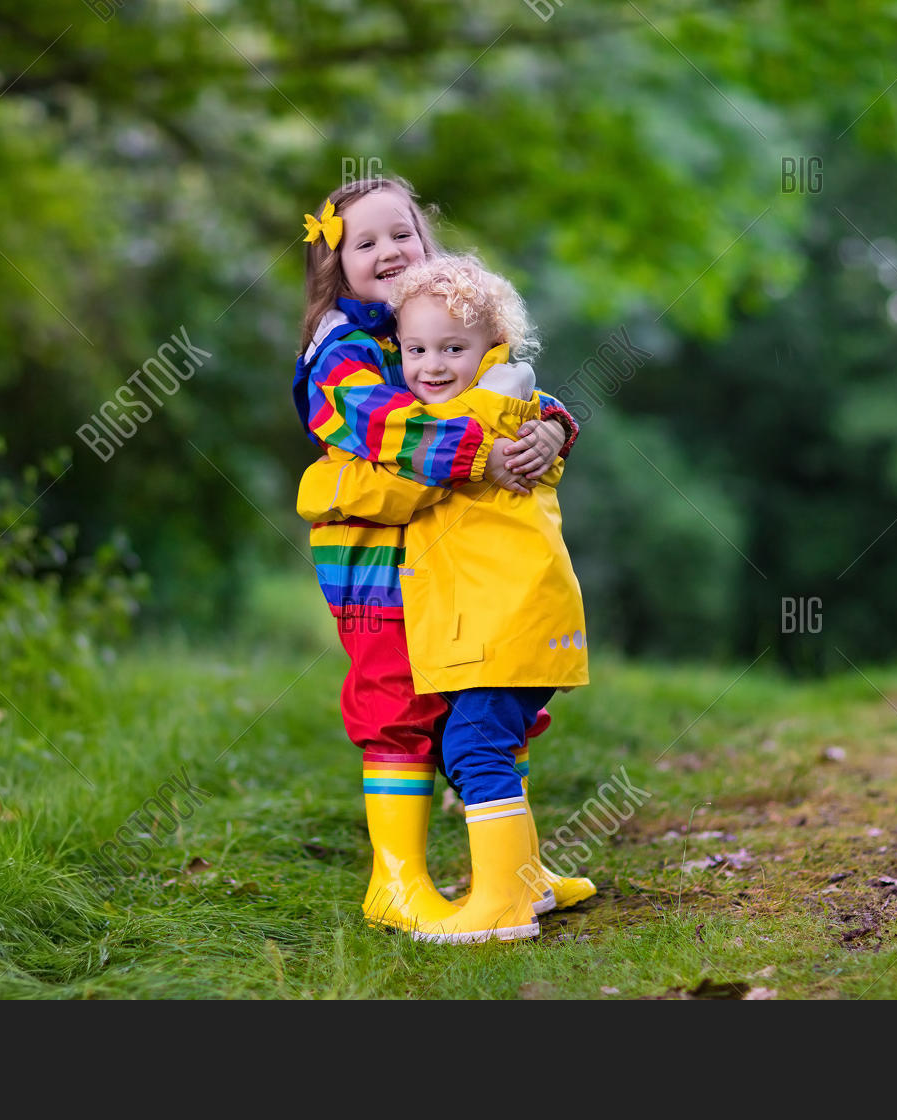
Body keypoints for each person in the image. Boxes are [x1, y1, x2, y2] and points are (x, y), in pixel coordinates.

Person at [291, 176, 589, 935]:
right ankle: (396, 881)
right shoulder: (342, 346)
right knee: (399, 706)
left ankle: (517, 868)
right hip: (377, 567)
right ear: (336, 264)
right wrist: (479, 453)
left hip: (451, 564)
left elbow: (504, 380)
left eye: (403, 234)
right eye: (365, 242)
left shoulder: (438, 315)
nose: (389, 251)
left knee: (484, 693)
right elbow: (389, 426)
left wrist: (550, 426)